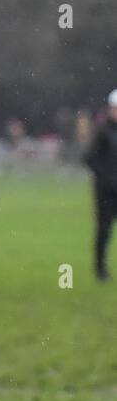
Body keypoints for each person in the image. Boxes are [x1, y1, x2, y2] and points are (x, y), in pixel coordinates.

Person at [86, 89, 117, 281]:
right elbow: (89, 159)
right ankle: (100, 270)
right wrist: (107, 179)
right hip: (106, 191)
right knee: (104, 230)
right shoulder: (102, 131)